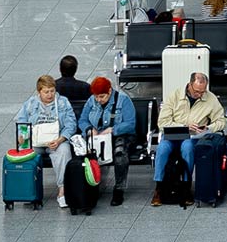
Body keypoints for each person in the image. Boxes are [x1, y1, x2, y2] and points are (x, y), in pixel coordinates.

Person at [152, 72, 227, 206]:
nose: (200, 94)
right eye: (197, 91)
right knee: (162, 148)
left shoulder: (210, 98)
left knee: (187, 147)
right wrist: (184, 126)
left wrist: (208, 128)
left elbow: (221, 121)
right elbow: (162, 122)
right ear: (190, 85)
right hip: (173, 134)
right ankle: (159, 187)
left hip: (193, 137)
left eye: (203, 91)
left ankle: (186, 186)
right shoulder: (174, 96)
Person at [15, 75, 79, 209]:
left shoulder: (63, 102)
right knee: (26, 155)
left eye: (52, 91)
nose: (50, 95)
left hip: (57, 140)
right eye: (46, 92)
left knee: (63, 152)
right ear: (39, 92)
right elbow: (22, 122)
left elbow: (70, 124)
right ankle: (29, 190)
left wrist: (60, 139)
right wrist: (22, 137)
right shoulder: (30, 104)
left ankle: (62, 191)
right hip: (36, 141)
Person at [78, 76, 136, 207]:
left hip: (119, 135)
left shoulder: (123, 100)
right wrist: (88, 129)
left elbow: (131, 124)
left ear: (109, 91)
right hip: (97, 135)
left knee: (120, 154)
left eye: (102, 97)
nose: (99, 100)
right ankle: (91, 185)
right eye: (96, 97)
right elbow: (82, 120)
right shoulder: (91, 101)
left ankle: (119, 189)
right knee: (86, 154)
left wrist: (113, 129)